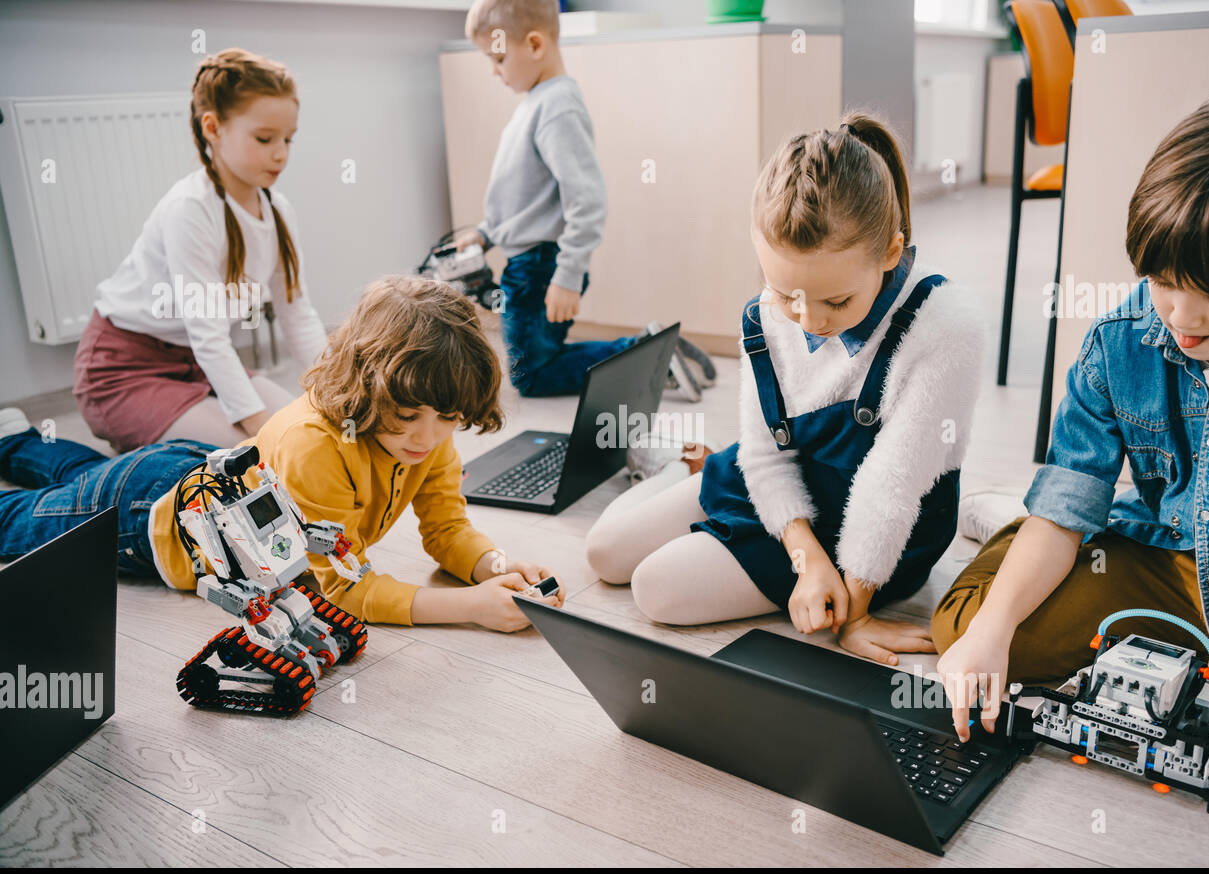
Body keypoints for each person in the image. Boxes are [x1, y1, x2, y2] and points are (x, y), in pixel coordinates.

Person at [932, 86, 1209, 778]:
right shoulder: (1119, 341)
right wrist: (993, 631)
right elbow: (1069, 505)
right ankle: (1012, 519)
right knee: (969, 628)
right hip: (1164, 550)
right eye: (1162, 280)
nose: (1182, 317)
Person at [585, 111, 984, 663]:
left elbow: (889, 487)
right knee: (604, 554)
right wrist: (805, 558)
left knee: (656, 588)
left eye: (835, 301)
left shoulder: (945, 327)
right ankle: (684, 463)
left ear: (890, 253)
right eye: (784, 292)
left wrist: (857, 611)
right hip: (780, 486)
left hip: (873, 537)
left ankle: (699, 492)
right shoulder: (771, 313)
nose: (806, 320)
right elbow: (765, 456)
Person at [1, 276, 562, 632]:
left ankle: (14, 440)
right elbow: (343, 587)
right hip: (149, 517)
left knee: (83, 477)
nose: (427, 437)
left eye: (446, 419)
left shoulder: (427, 432)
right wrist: (472, 608)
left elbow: (446, 528)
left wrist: (496, 566)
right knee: (26, 521)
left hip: (196, 468)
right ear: (366, 386)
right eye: (409, 416)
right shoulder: (315, 447)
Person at [73, 48, 327, 453]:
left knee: (309, 435)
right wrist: (262, 431)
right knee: (268, 452)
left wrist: (336, 397)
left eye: (288, 139)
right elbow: (209, 337)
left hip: (194, 364)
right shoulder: (190, 209)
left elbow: (297, 315)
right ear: (213, 127)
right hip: (124, 371)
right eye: (264, 138)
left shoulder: (279, 209)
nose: (281, 153)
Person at [460, 0, 715, 399]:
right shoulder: (537, 102)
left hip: (541, 267)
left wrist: (567, 275)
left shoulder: (557, 107)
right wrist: (486, 233)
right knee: (537, 362)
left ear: (535, 45)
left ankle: (645, 355)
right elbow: (525, 195)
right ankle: (648, 353)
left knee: (532, 374)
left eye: (497, 58)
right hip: (529, 263)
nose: (494, 71)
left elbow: (587, 200)